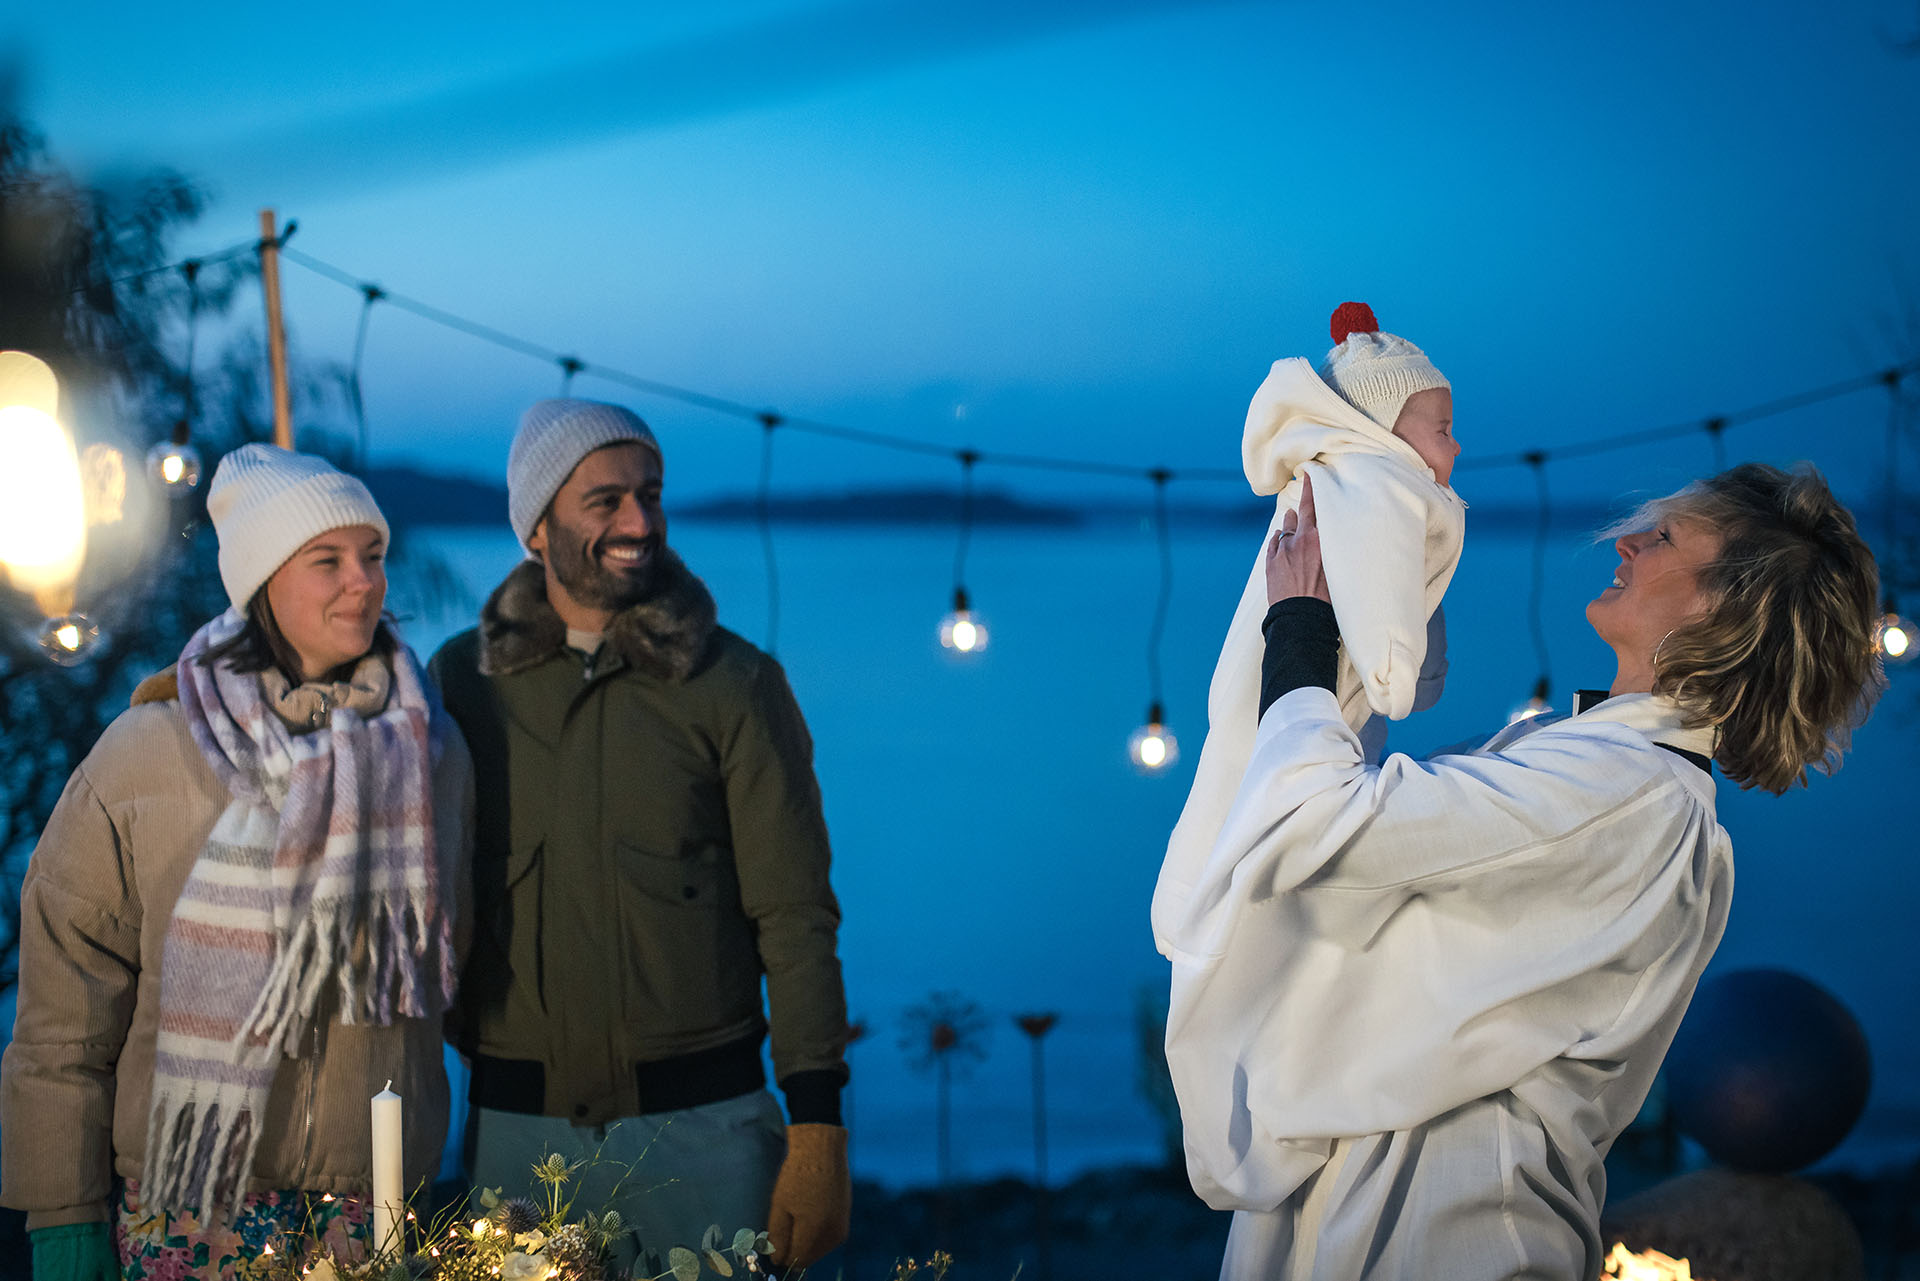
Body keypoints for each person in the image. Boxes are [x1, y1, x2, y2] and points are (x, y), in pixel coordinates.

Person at [1151, 462, 1883, 1279]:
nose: (1629, 543)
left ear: (1727, 608)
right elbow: (1352, 842)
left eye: (1665, 537)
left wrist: (1300, 627)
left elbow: (1318, 830)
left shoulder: (1630, 793)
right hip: (1392, 1201)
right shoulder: (1592, 763)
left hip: (1454, 1229)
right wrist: (1378, 575)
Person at [1, 445, 473, 1280]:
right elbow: (63, 1016)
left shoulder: (430, 752)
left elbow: (448, 962)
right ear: (261, 582)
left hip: (373, 1205)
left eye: (373, 555)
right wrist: (61, 1214)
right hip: (189, 1209)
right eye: (327, 560)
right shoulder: (146, 752)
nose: (364, 582)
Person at [428, 398, 851, 1272]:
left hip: (706, 1140)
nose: (639, 522)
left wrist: (817, 1126)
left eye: (650, 495)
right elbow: (342, 732)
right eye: (606, 500)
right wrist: (204, 683)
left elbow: (796, 912)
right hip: (516, 1142)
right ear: (537, 527)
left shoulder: (733, 684)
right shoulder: (463, 683)